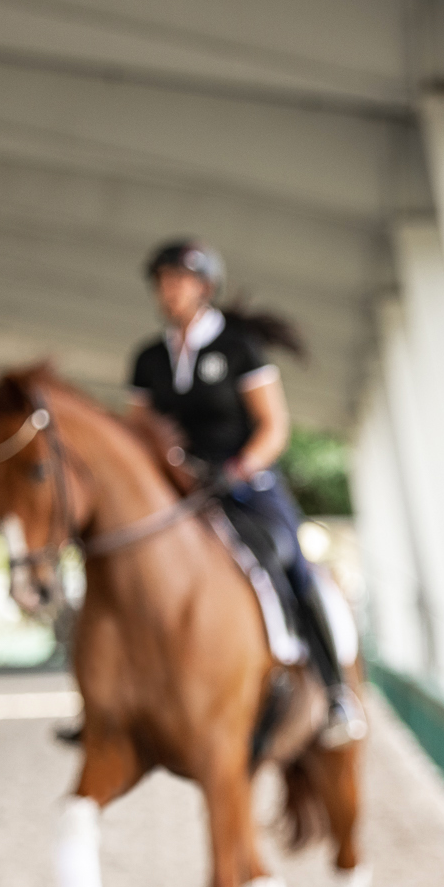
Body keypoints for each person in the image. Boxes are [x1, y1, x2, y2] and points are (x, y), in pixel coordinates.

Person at [127, 239, 355, 733]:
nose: (170, 290)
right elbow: (139, 430)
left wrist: (236, 467)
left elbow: (273, 426)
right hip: (178, 485)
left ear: (205, 287)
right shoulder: (148, 359)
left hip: (243, 482)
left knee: (288, 558)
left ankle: (335, 689)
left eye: (180, 280)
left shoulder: (238, 349)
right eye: (163, 280)